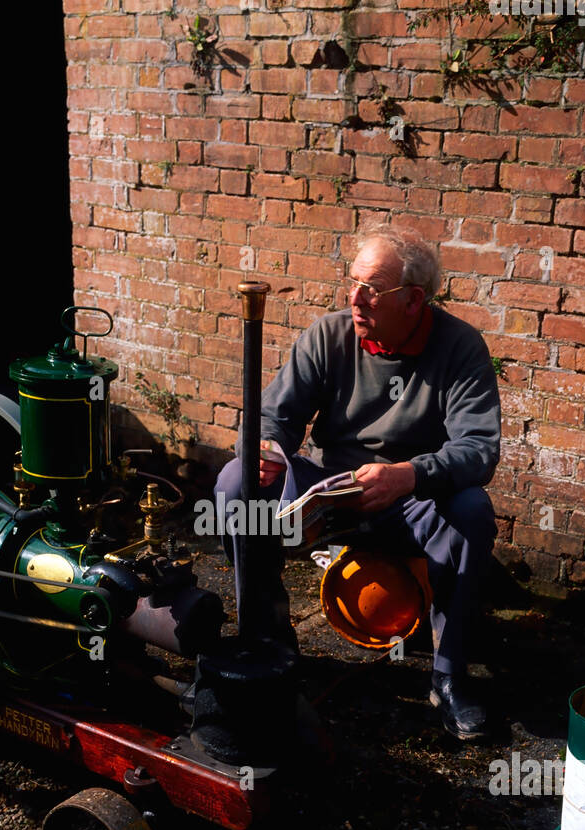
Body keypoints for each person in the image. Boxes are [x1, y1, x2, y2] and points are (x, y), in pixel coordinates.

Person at [214, 224, 502, 741]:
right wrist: (269, 452)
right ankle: (269, 641)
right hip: (334, 491)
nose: (355, 298)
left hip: (413, 500)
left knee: (472, 510)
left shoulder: (460, 348)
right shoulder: (329, 335)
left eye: (373, 289)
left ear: (414, 300)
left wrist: (409, 474)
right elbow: (273, 416)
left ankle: (449, 676)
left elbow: (479, 450)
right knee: (235, 483)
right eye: (353, 282)